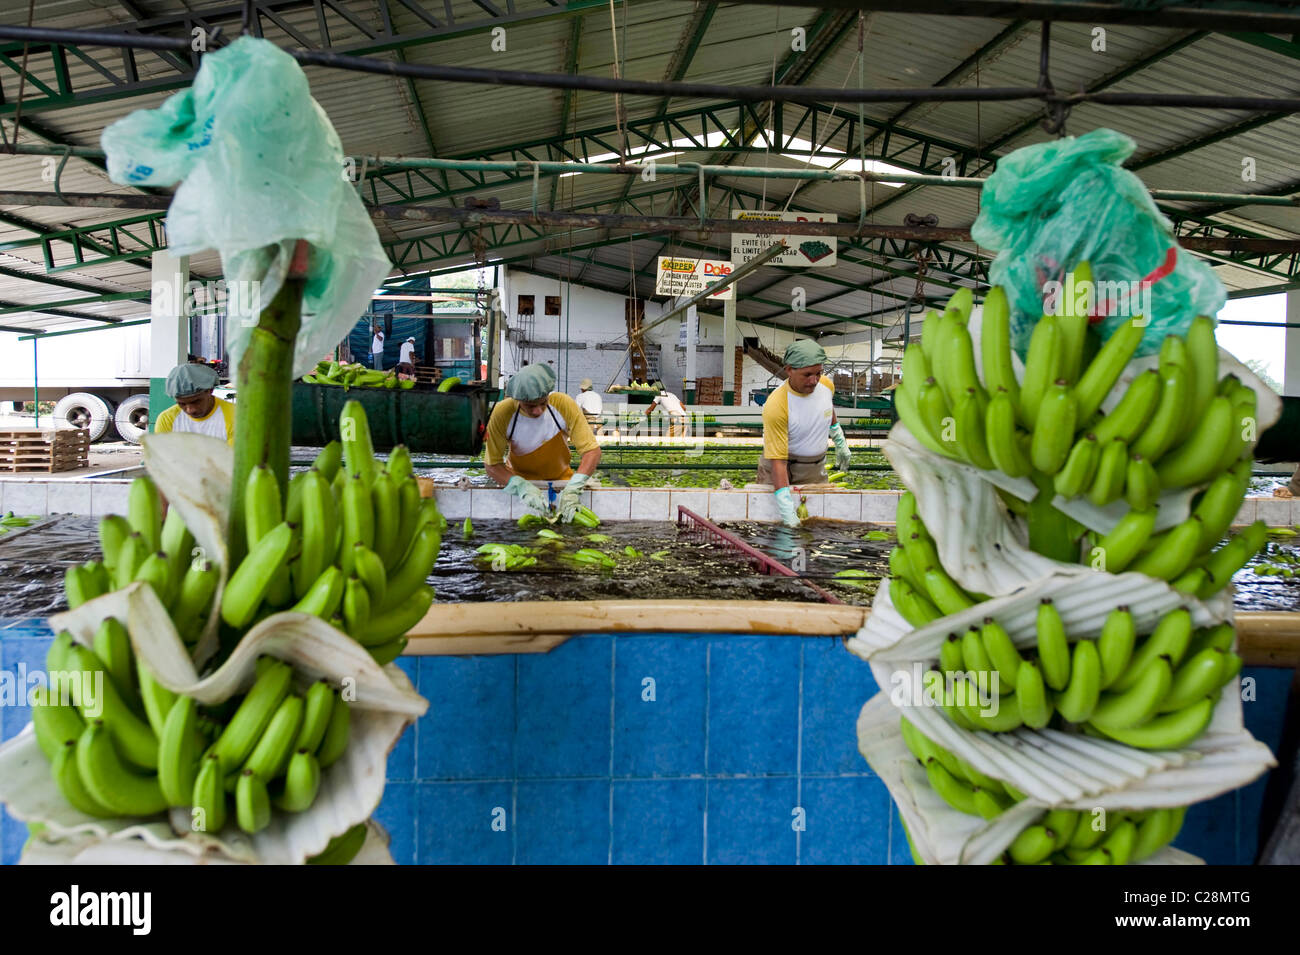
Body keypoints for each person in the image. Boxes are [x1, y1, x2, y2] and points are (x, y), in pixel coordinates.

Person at [484, 364, 601, 521]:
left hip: (562, 483)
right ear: (516, 399)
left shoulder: (563, 404)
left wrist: (574, 486)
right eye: (530, 406)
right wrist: (521, 487)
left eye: (543, 402)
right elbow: (492, 465)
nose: (538, 410)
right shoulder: (502, 413)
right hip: (522, 486)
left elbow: (591, 451)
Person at [759, 340, 853, 528]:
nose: (814, 380)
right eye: (807, 375)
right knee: (772, 524)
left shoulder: (826, 386)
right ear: (789, 370)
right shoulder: (777, 405)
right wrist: (787, 510)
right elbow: (779, 462)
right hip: (780, 469)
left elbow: (827, 408)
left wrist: (839, 440)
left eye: (818, 373)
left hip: (814, 468)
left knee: (816, 526)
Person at [153, 362, 235, 445]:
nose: (190, 410)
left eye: (196, 401)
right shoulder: (167, 420)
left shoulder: (236, 416)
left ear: (210, 391)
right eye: (182, 404)